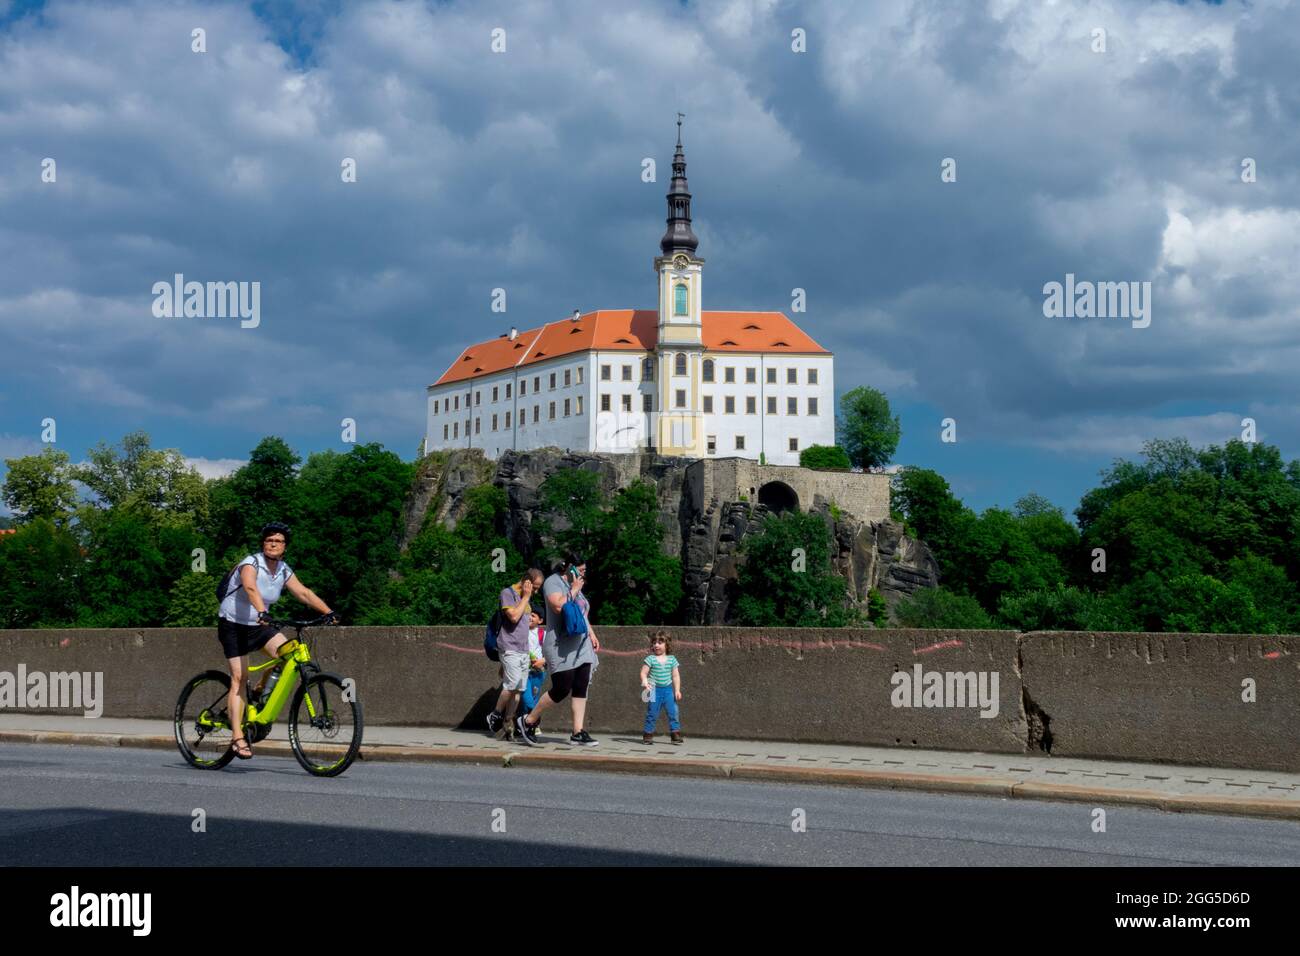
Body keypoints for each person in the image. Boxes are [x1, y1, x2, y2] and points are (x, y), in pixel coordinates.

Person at [217, 522, 335, 760]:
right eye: (269, 540)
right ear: (263, 544)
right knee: (239, 678)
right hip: (234, 625)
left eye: (278, 541)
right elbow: (250, 587)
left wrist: (328, 612)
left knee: (290, 654)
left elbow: (303, 593)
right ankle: (238, 737)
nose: (273, 543)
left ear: (285, 547)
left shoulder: (283, 569)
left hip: (260, 626)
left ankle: (260, 689)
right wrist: (262, 611)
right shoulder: (251, 563)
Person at [515, 556, 601, 746]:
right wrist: (574, 590)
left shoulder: (576, 584)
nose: (583, 574)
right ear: (569, 568)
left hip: (581, 644)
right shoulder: (552, 582)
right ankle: (528, 720)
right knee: (562, 687)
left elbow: (581, 613)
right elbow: (558, 606)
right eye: (581, 570)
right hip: (560, 645)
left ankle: (578, 732)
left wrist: (592, 634)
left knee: (581, 684)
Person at [487, 569, 544, 738]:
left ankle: (507, 722)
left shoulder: (526, 599)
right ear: (526, 581)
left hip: (523, 650)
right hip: (509, 647)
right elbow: (513, 616)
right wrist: (526, 597)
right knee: (511, 685)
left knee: (518, 690)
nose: (536, 591)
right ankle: (495, 714)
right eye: (535, 587)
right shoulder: (508, 593)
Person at [640, 630, 683, 744]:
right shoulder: (650, 659)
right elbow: (643, 672)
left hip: (668, 690)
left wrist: (677, 690)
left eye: (660, 642)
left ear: (667, 644)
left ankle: (675, 733)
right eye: (654, 642)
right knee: (652, 712)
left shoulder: (672, 659)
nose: (656, 645)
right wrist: (644, 680)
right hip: (653, 690)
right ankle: (648, 734)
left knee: (673, 711)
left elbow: (675, 676)